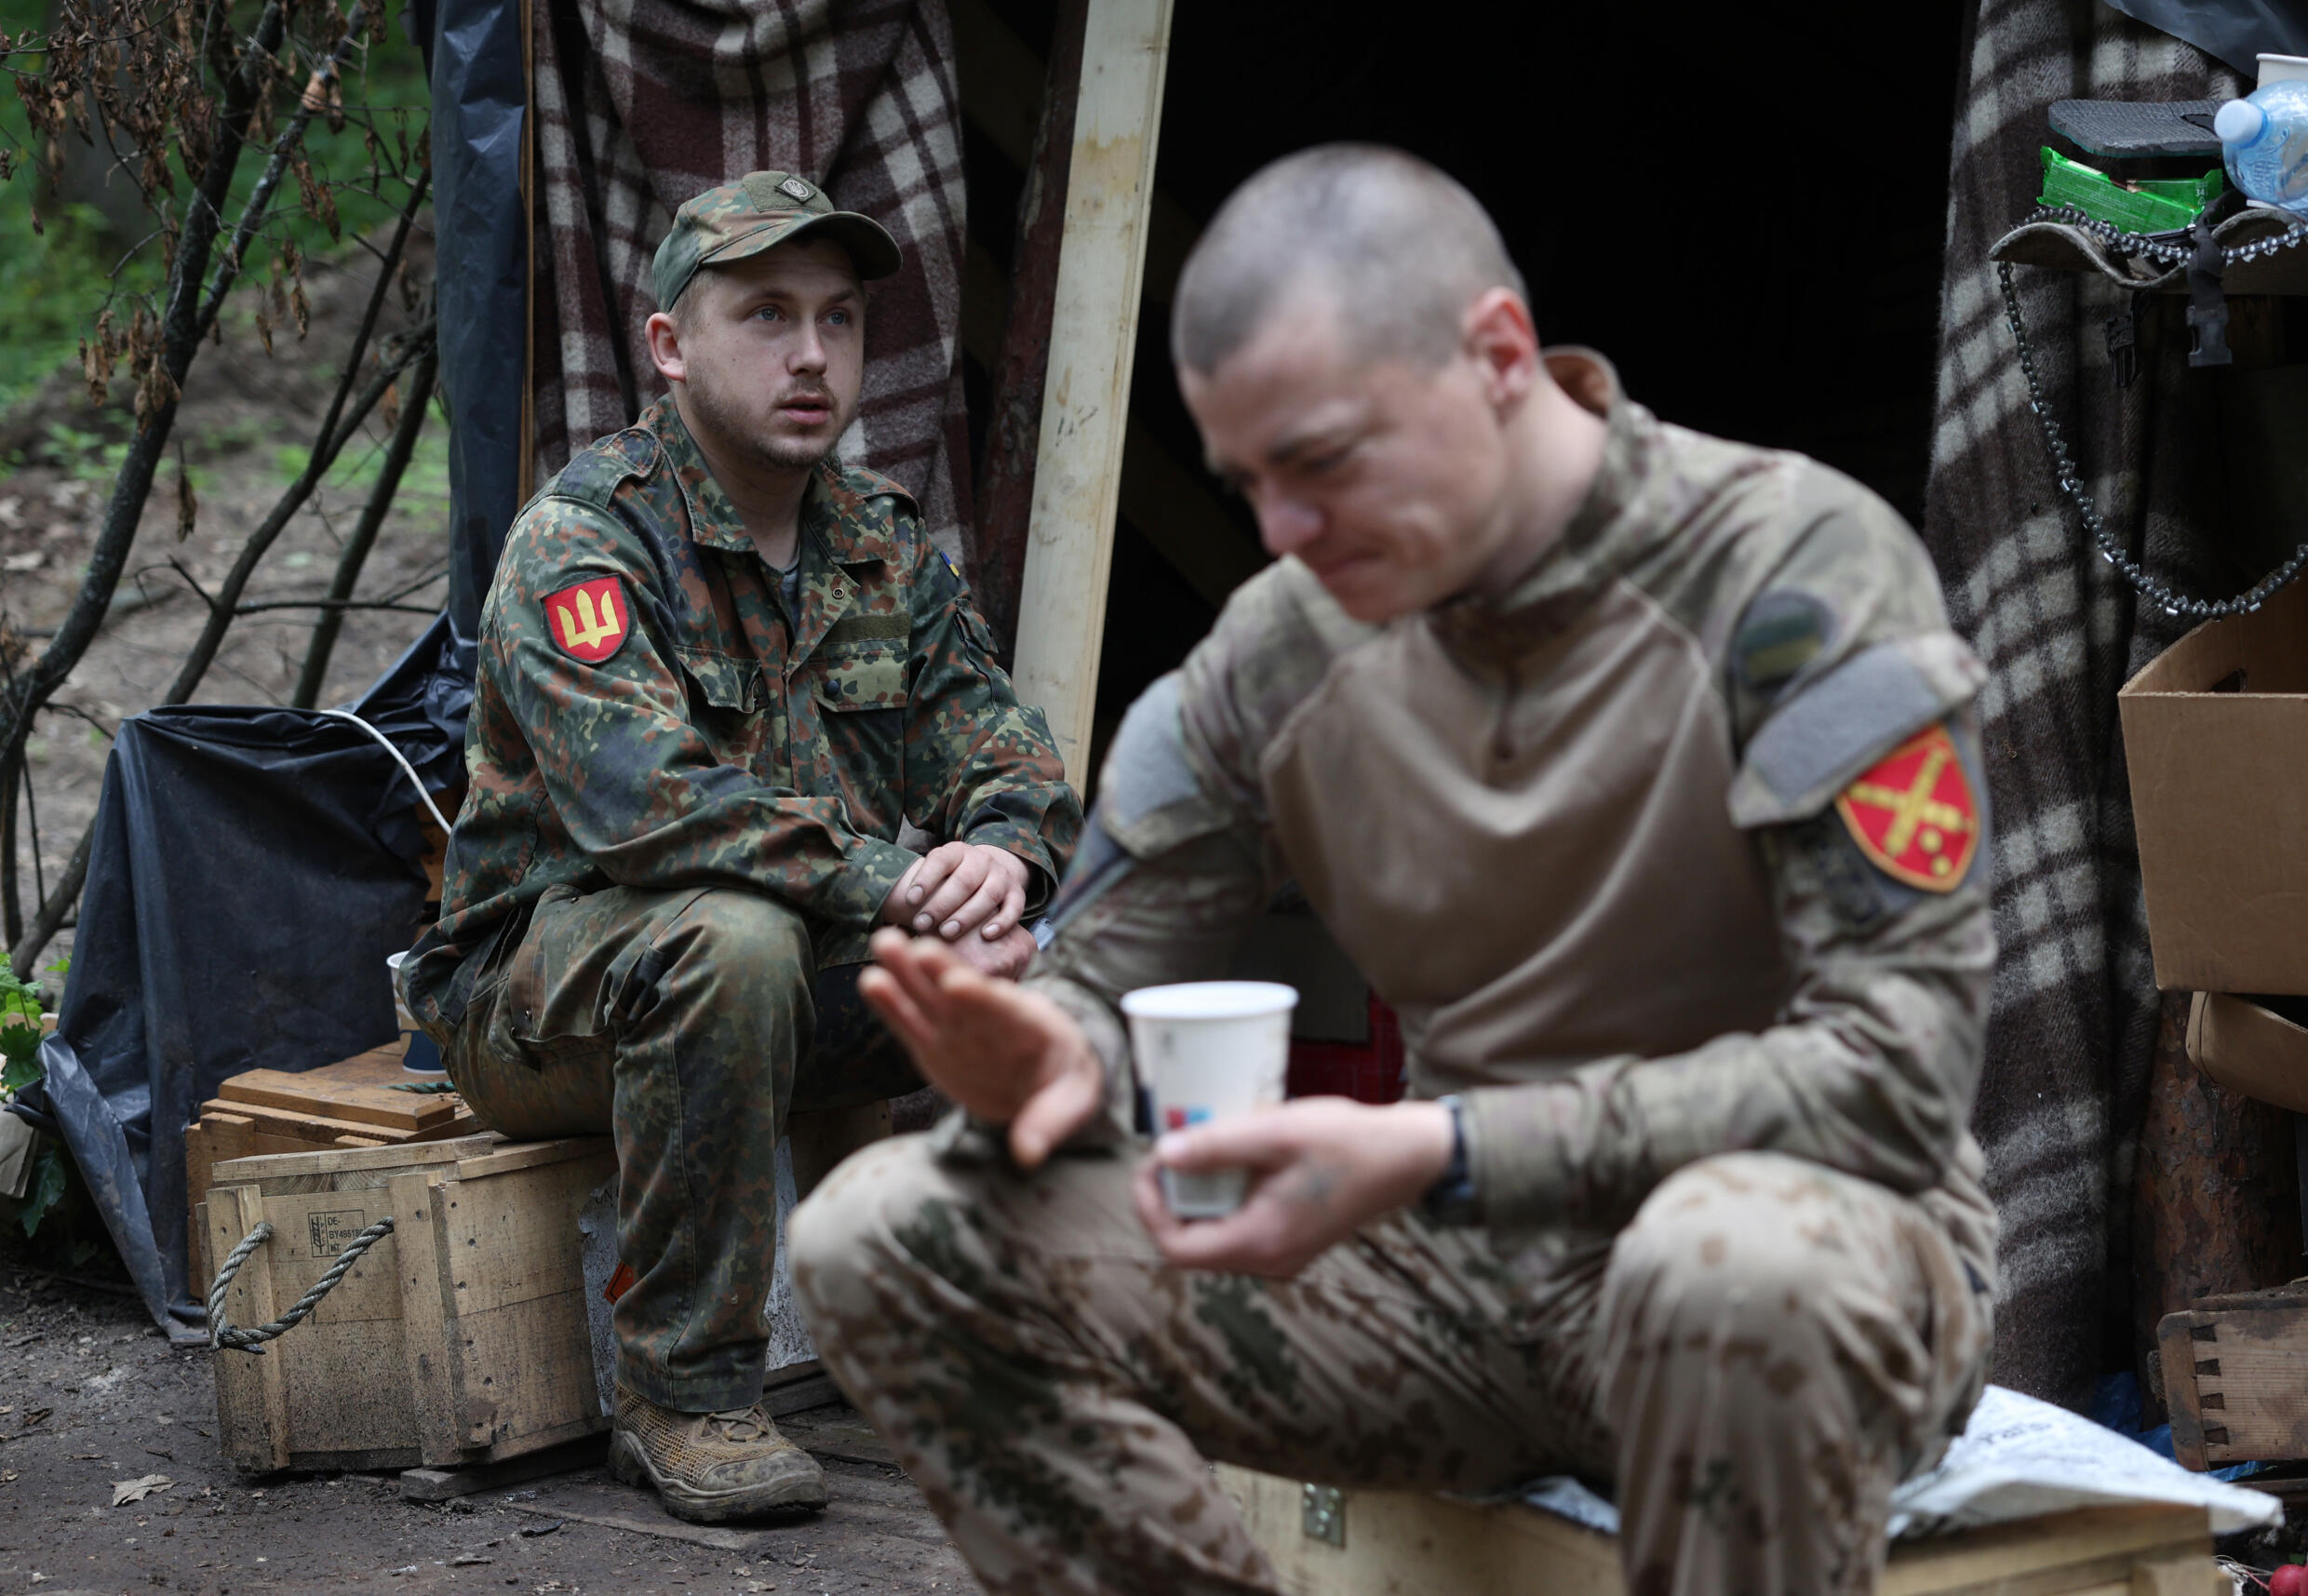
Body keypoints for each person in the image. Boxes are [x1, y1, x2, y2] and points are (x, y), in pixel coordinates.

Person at [787, 144, 1999, 1596]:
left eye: (1322, 462)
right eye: (1248, 482)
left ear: (1499, 355)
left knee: (1725, 1264)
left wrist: (1443, 1148)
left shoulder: (1795, 576)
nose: (1280, 532)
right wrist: (1055, 1056)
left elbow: (1898, 1072)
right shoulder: (1278, 652)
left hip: (1803, 1268)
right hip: (1462, 1295)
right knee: (880, 1231)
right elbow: (1101, 979)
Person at [402, 170, 1080, 1524]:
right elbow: (651, 806)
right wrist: (897, 885)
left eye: (838, 319)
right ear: (670, 344)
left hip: (789, 969)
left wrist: (1002, 863)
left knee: (1066, 964)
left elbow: (1007, 752)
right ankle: (686, 1396)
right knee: (735, 939)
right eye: (767, 315)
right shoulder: (585, 543)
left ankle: (1012, 1338)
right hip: (542, 998)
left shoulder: (879, 544)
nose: (812, 355)